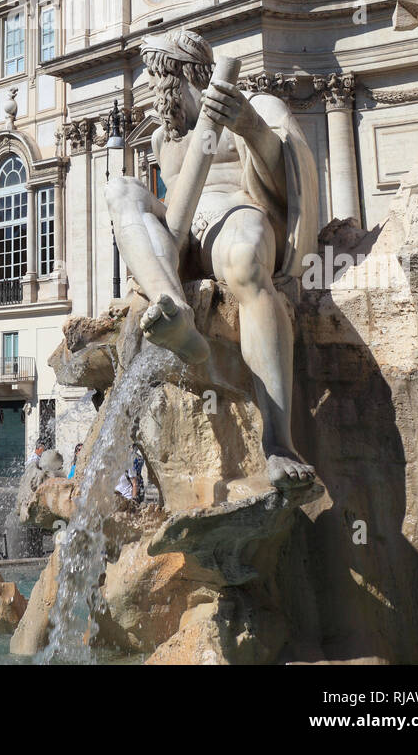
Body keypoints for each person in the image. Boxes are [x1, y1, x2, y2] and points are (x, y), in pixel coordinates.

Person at [105, 28, 318, 489]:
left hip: (237, 211)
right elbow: (173, 208)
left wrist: (250, 127)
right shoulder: (164, 140)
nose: (155, 96)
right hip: (182, 237)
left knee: (244, 261)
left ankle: (279, 442)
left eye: (161, 82)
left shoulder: (257, 105)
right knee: (120, 188)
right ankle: (173, 308)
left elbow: (291, 184)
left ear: (188, 74)